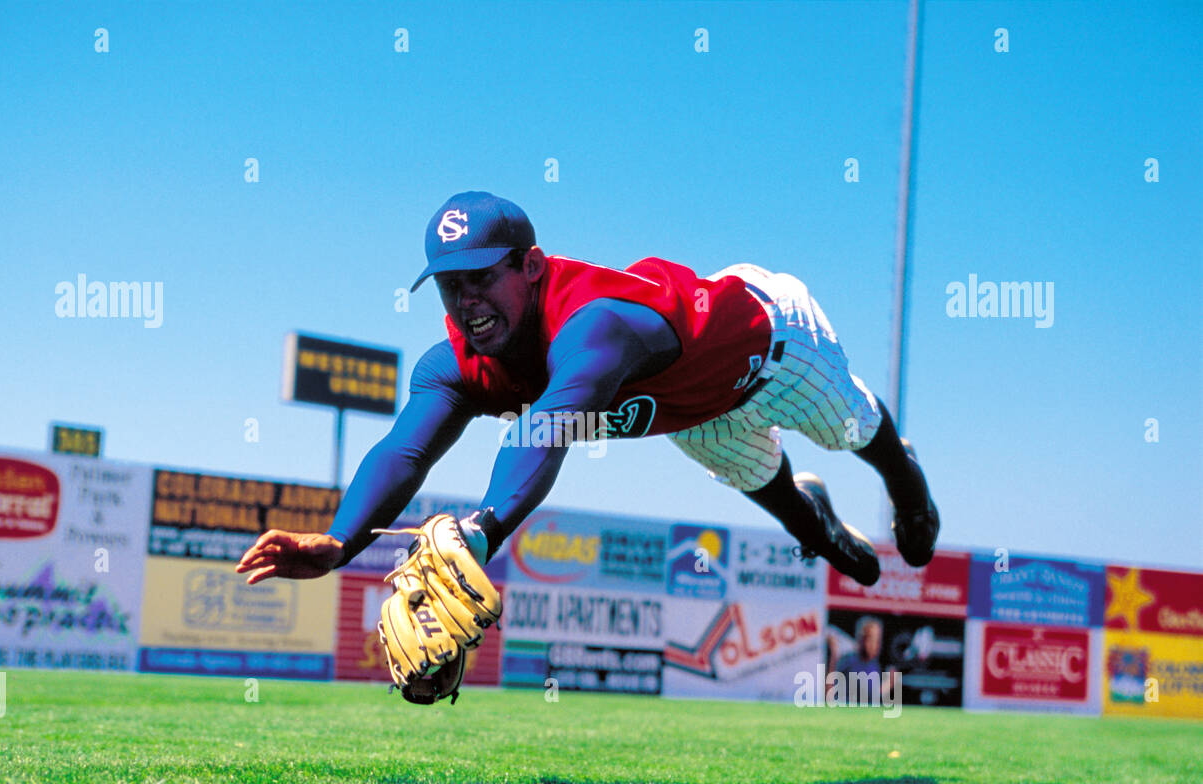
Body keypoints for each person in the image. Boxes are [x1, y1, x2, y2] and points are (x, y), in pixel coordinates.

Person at [236, 191, 939, 589]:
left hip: (771, 345)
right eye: (451, 285)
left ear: (532, 266)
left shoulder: (593, 324)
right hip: (694, 412)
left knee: (853, 429)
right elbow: (406, 450)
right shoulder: (453, 363)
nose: (467, 299)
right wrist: (339, 541)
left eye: (482, 276)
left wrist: (482, 530)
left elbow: (546, 426)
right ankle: (816, 523)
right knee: (779, 498)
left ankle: (908, 487)